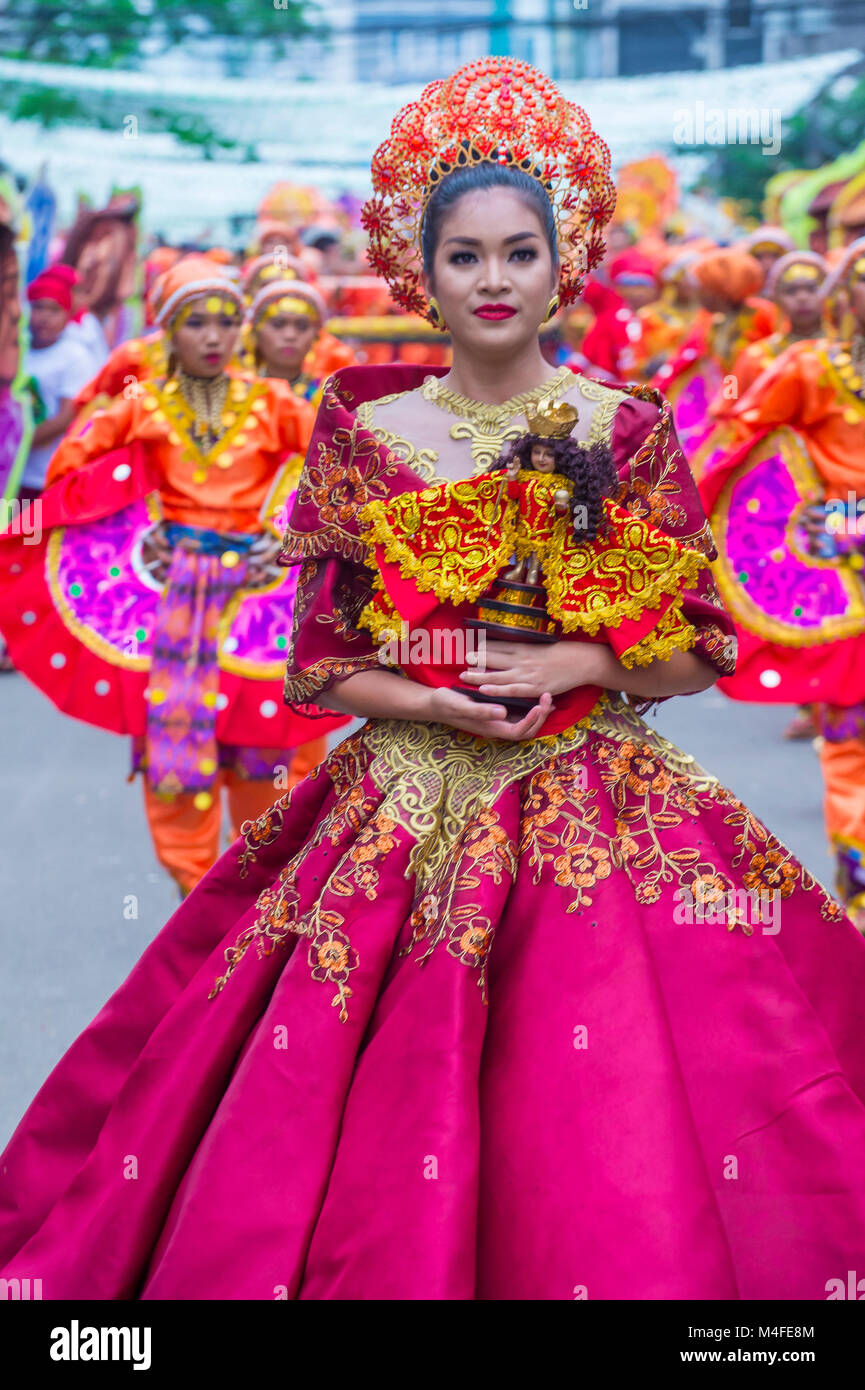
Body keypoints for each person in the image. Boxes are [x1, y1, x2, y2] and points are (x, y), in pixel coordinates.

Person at [2, 59, 865, 1303]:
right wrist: (430, 701)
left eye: (521, 253)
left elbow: (702, 647)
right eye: (465, 258)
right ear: (423, 273)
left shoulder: (625, 426)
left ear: (563, 264)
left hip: (595, 790)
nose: (496, 280)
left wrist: (576, 660)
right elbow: (318, 661)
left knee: (616, 1111)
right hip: (403, 795)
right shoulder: (361, 422)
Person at [0, 256, 345, 896]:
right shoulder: (141, 403)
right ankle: (195, 893)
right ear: (168, 332)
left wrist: (288, 535)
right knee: (176, 747)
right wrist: (133, 527)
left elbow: (339, 468)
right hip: (172, 594)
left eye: (224, 321)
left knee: (262, 738)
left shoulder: (273, 402)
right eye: (195, 322)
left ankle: (258, 894)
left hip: (256, 591)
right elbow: (71, 477)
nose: (212, 336)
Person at [699, 236, 865, 924]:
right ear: (845, 295)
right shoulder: (809, 368)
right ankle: (858, 890)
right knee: (850, 740)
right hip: (845, 579)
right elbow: (737, 429)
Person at [19, 265, 94, 502]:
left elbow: (67, 415)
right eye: (37, 307)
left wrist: (17, 446)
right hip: (11, 471)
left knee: (28, 536)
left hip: (42, 475)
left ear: (67, 315)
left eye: (54, 309)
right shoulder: (16, 348)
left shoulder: (75, 356)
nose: (44, 316)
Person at [247, 278, 355, 401]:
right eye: (278, 324)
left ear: (316, 336)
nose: (290, 335)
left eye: (302, 326)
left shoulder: (332, 395)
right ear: (256, 332)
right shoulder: (239, 392)